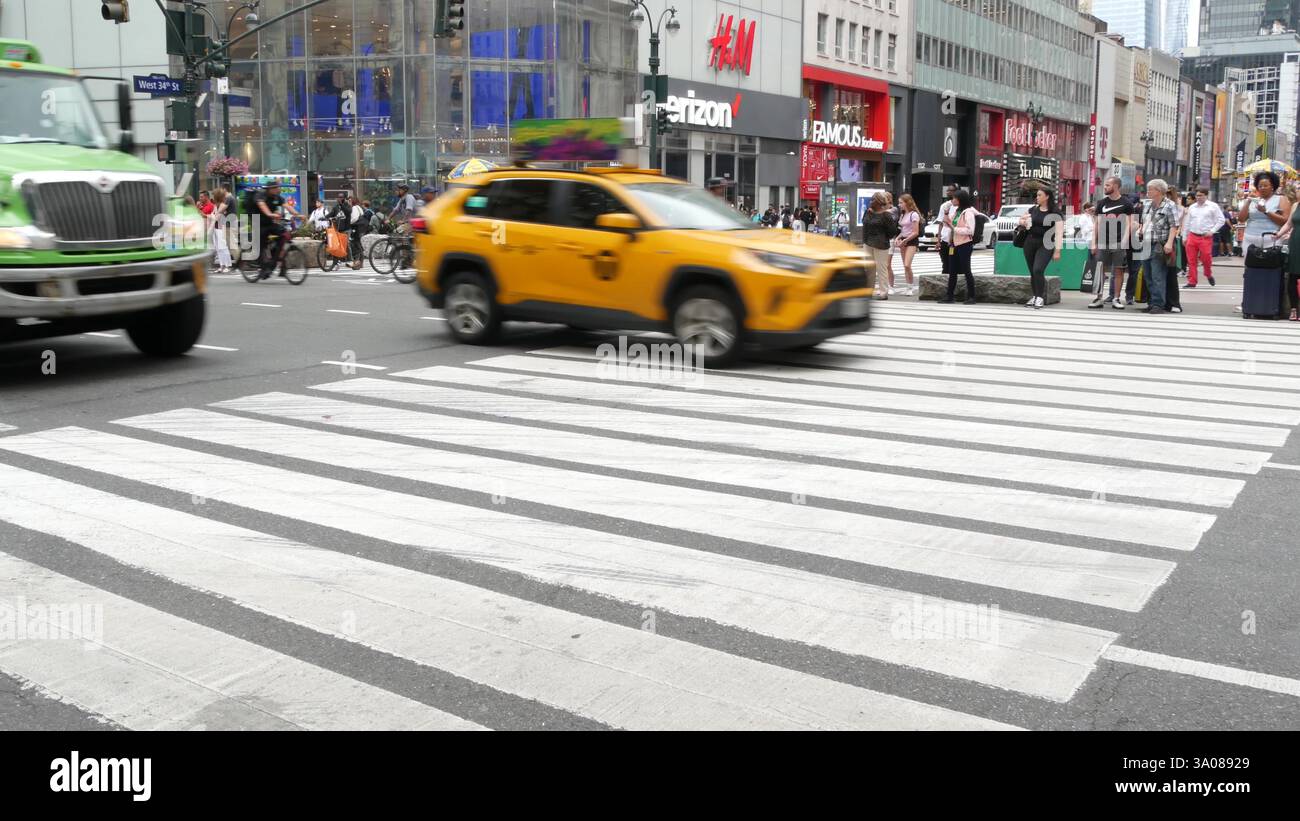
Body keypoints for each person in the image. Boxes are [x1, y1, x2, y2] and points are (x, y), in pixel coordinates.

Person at [1089, 176, 1135, 310]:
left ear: (1115, 186)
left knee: (1119, 270)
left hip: (1119, 242)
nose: (1105, 187)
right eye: (1105, 185)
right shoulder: (1102, 203)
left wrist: (1125, 241)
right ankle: (1098, 297)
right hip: (1103, 242)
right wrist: (1093, 243)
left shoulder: (1127, 204)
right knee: (1100, 270)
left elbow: (1129, 224)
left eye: (1107, 185)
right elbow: (1096, 224)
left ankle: (1116, 298)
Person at [1136, 179, 1180, 315]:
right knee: (1148, 275)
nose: (1148, 192)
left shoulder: (1169, 205)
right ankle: (1152, 302)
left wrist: (1169, 243)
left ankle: (1158, 304)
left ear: (1159, 191)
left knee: (1157, 275)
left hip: (1159, 244)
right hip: (1146, 242)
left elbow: (1174, 225)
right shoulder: (1147, 204)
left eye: (1151, 189)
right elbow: (1144, 222)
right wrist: (1140, 230)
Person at [1017, 186, 1063, 309]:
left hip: (1046, 243)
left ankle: (1040, 297)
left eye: (1039, 195)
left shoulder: (1055, 212)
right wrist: (1022, 222)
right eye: (1037, 195)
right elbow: (1021, 220)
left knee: (1038, 269)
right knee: (1032, 271)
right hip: (1030, 242)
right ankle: (1035, 296)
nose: (1037, 197)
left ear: (1047, 196)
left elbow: (1059, 233)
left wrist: (1057, 251)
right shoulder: (1033, 209)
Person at [939, 189, 979, 305]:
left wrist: (954, 228)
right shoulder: (957, 211)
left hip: (965, 244)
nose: (952, 200)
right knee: (952, 270)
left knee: (967, 270)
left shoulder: (968, 212)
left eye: (954, 198)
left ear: (960, 199)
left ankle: (971, 296)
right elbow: (947, 223)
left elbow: (970, 230)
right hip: (954, 244)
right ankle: (949, 295)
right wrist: (946, 212)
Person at [1181, 187, 1225, 288]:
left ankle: (1208, 273)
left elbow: (1221, 220)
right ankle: (1192, 281)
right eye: (1197, 195)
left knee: (1206, 258)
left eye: (1201, 195)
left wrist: (1212, 231)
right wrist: (1184, 236)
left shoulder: (1213, 206)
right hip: (1192, 235)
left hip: (1205, 236)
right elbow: (1187, 222)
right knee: (1191, 260)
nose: (1198, 197)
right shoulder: (1192, 207)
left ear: (1206, 195)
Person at [862, 193, 899, 301]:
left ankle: (883, 293)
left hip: (881, 244)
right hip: (868, 242)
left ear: (879, 202)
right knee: (869, 268)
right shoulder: (868, 212)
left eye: (873, 200)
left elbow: (892, 231)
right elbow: (865, 226)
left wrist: (883, 238)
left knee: (881, 268)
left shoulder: (886, 215)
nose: (871, 201)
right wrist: (865, 240)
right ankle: (868, 291)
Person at [252, 181, 291, 279]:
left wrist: (298, 215)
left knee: (283, 236)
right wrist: (270, 214)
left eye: (278, 187)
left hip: (270, 223)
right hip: (258, 223)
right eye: (276, 188)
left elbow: (287, 206)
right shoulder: (260, 195)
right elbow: (262, 206)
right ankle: (263, 269)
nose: (278, 189)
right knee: (260, 246)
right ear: (270, 189)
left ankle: (275, 262)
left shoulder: (277, 197)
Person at [892, 193, 921, 296]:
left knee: (907, 264)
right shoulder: (903, 214)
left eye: (901, 202)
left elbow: (915, 232)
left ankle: (910, 287)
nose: (899, 205)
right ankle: (908, 286)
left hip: (911, 241)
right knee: (905, 266)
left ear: (907, 203)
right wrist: (898, 238)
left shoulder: (914, 214)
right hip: (903, 240)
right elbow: (903, 230)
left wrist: (905, 240)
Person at [209, 187, 233, 273]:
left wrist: (212, 216)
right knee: (218, 248)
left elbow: (217, 216)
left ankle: (228, 265)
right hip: (216, 227)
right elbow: (214, 215)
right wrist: (212, 216)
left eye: (214, 196)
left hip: (221, 227)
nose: (213, 198)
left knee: (223, 247)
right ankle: (221, 265)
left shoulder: (222, 205)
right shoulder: (216, 205)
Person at [936, 188, 959, 280]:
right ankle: (945, 283)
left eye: (951, 190)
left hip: (957, 240)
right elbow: (941, 223)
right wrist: (938, 241)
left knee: (955, 263)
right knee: (945, 263)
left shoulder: (961, 207)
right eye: (948, 190)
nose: (948, 192)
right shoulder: (945, 205)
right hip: (945, 240)